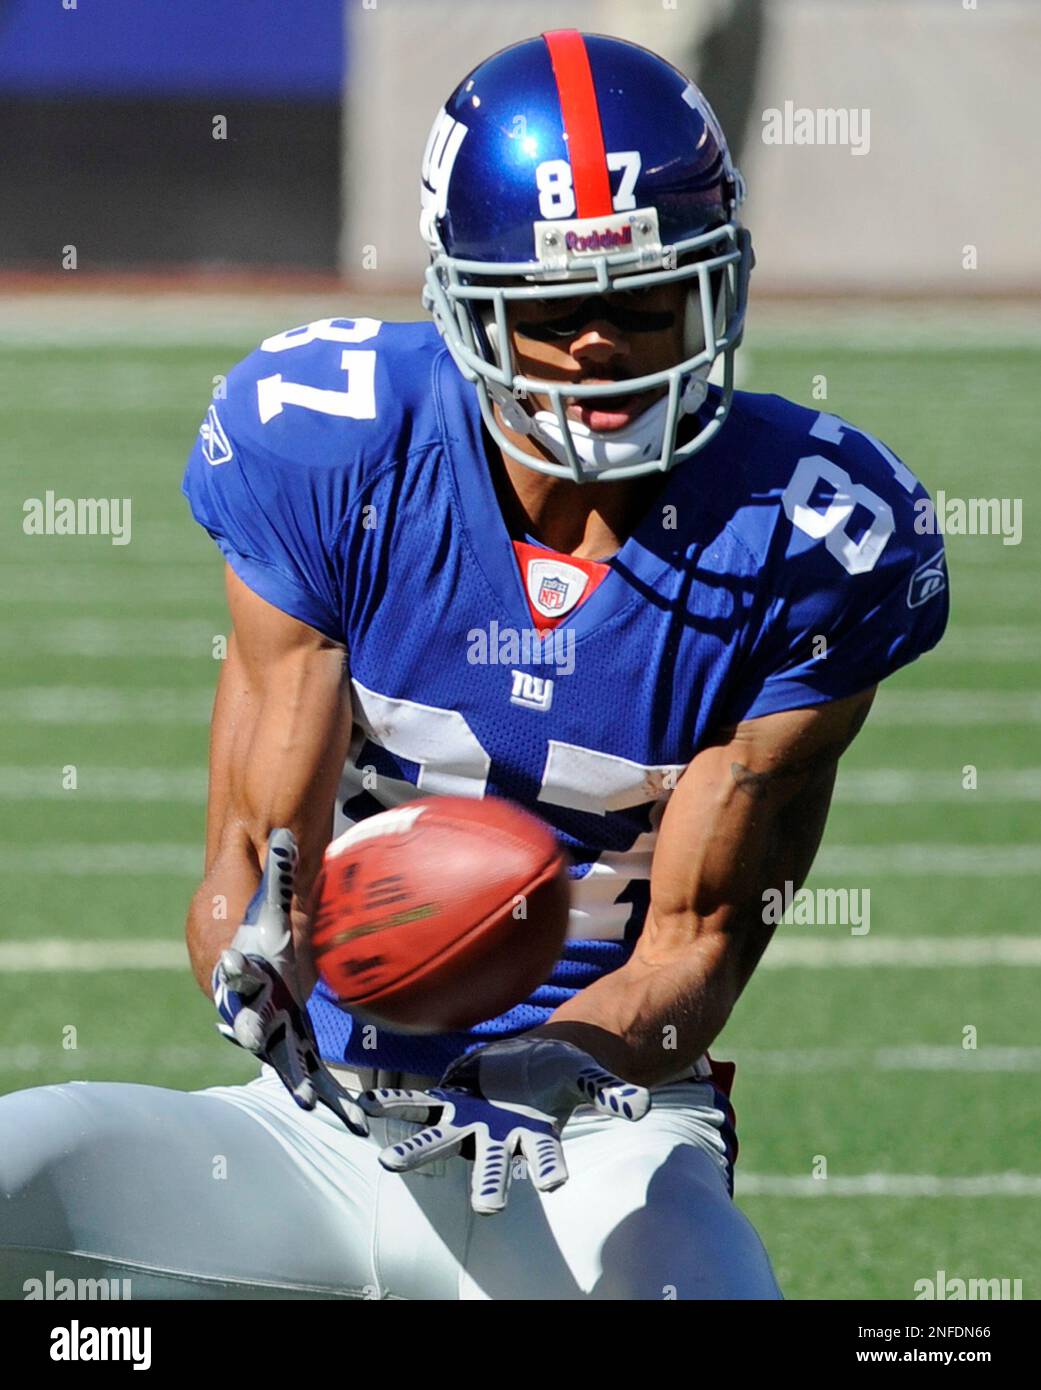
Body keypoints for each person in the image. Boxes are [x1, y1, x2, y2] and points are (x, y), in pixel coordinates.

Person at [0, 29, 947, 1300]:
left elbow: (701, 940)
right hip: (324, 1121)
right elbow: (242, 864)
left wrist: (551, 1061)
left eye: (645, 297)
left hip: (596, 1132)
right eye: (557, 310)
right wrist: (253, 965)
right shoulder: (335, 447)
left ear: (714, 288)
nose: (601, 346)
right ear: (466, 300)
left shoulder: (814, 534)